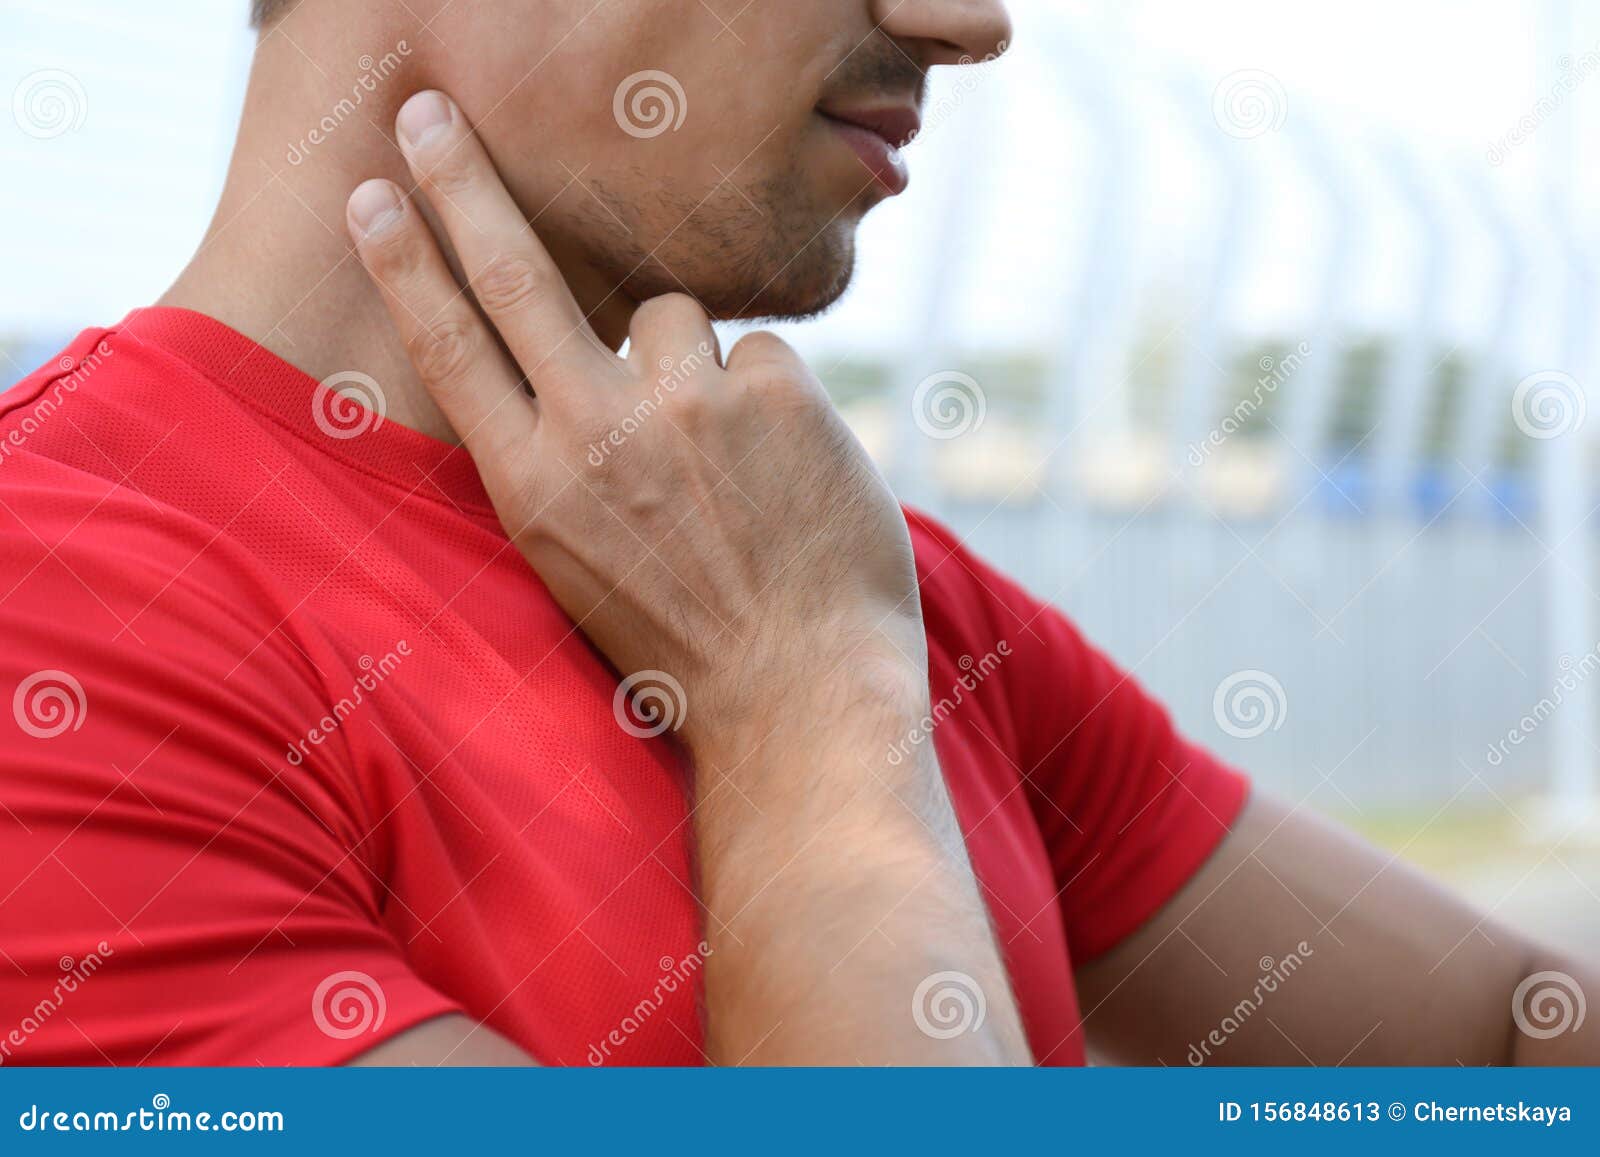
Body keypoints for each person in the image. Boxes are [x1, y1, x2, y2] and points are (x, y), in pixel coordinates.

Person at [0, 0, 1592, 1067]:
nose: (967, 23)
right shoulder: (56, 626)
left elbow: (1514, 1046)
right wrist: (796, 707)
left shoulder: (835, 574)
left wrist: (823, 660)